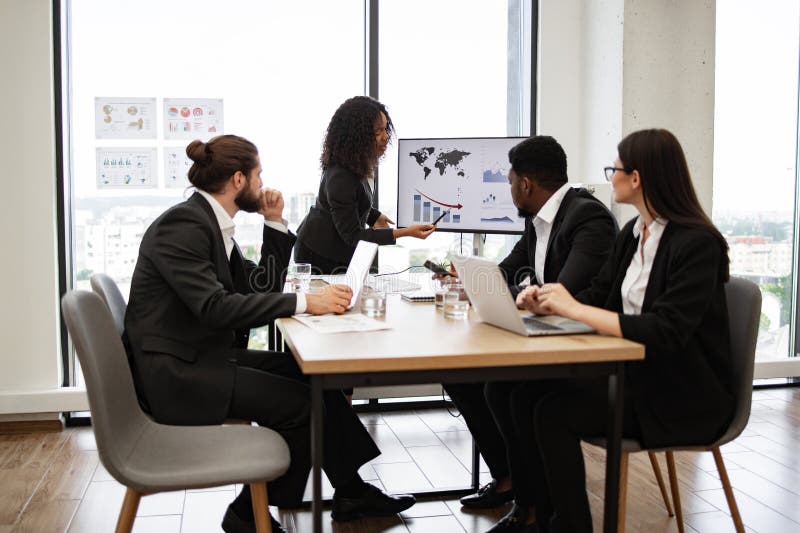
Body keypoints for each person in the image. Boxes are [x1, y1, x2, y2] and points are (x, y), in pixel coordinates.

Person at [122, 134, 415, 533]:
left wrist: (274, 224)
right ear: (239, 180)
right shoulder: (184, 225)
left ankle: (350, 490)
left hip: (199, 356)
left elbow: (257, 289)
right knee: (301, 405)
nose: (264, 184)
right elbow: (215, 308)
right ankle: (246, 514)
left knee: (314, 377)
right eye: (259, 175)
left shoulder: (210, 222)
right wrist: (304, 303)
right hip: (177, 376)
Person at [506, 129, 734, 533]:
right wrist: (550, 299)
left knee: (551, 411)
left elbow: (665, 330)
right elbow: (600, 295)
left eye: (616, 169)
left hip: (680, 392)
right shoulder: (634, 234)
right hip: (634, 374)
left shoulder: (698, 244)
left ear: (637, 178)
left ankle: (570, 526)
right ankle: (539, 516)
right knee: (525, 391)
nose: (610, 176)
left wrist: (574, 307)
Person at [439, 136, 618, 518]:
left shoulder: (588, 218)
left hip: (585, 350)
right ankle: (517, 489)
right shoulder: (538, 222)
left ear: (525, 184)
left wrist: (517, 291)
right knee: (466, 378)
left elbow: (563, 294)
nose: (509, 190)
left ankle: (529, 504)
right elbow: (506, 272)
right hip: (551, 336)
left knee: (505, 389)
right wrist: (472, 282)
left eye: (509, 182)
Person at [295, 95, 435, 273]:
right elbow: (353, 236)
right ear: (357, 137)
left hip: (339, 249)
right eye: (378, 132)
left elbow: (354, 200)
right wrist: (405, 232)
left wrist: (373, 215)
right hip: (319, 252)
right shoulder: (340, 175)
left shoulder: (361, 162)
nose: (386, 137)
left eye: (385, 129)